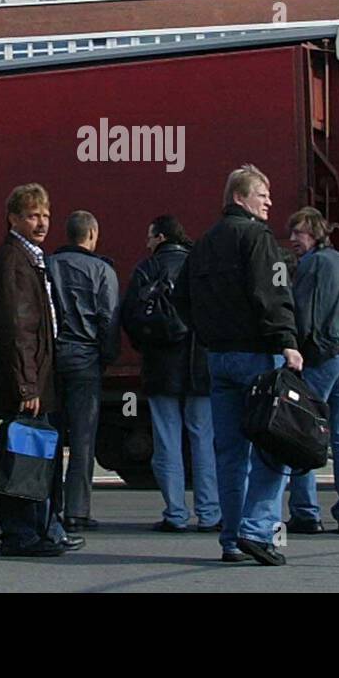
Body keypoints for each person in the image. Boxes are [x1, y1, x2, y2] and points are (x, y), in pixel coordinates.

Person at [174, 165, 303, 566]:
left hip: (218, 359)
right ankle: (257, 531)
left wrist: (208, 331)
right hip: (256, 355)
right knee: (274, 445)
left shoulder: (204, 243)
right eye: (262, 194)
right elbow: (271, 293)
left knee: (229, 452)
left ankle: (231, 539)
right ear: (239, 198)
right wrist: (287, 342)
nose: (269, 201)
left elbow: (181, 297)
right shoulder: (257, 237)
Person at [0, 183, 83, 558]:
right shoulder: (13, 260)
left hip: (41, 376)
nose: (41, 223)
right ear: (14, 218)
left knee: (41, 456)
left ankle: (46, 528)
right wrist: (27, 385)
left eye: (46, 215)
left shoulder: (31, 257)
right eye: (33, 215)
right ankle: (22, 533)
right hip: (30, 380)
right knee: (24, 457)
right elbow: (17, 329)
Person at [121, 215, 220, 534]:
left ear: (160, 237)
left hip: (161, 365)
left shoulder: (147, 269)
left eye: (150, 237)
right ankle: (209, 513)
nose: (147, 242)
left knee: (166, 440)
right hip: (200, 365)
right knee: (203, 439)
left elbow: (130, 316)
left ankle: (176, 513)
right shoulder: (201, 265)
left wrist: (145, 344)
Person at [283, 207, 339, 535]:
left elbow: (303, 314)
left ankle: (306, 511)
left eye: (299, 233)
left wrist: (294, 353)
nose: (293, 239)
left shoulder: (311, 265)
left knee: (302, 431)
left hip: (323, 355)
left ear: (316, 233)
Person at [46, 210, 120, 532]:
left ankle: (47, 506)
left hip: (50, 361)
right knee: (83, 439)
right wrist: (107, 357)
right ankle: (77, 511)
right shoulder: (103, 270)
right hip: (85, 359)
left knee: (48, 437)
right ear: (91, 234)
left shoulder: (47, 266)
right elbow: (108, 318)